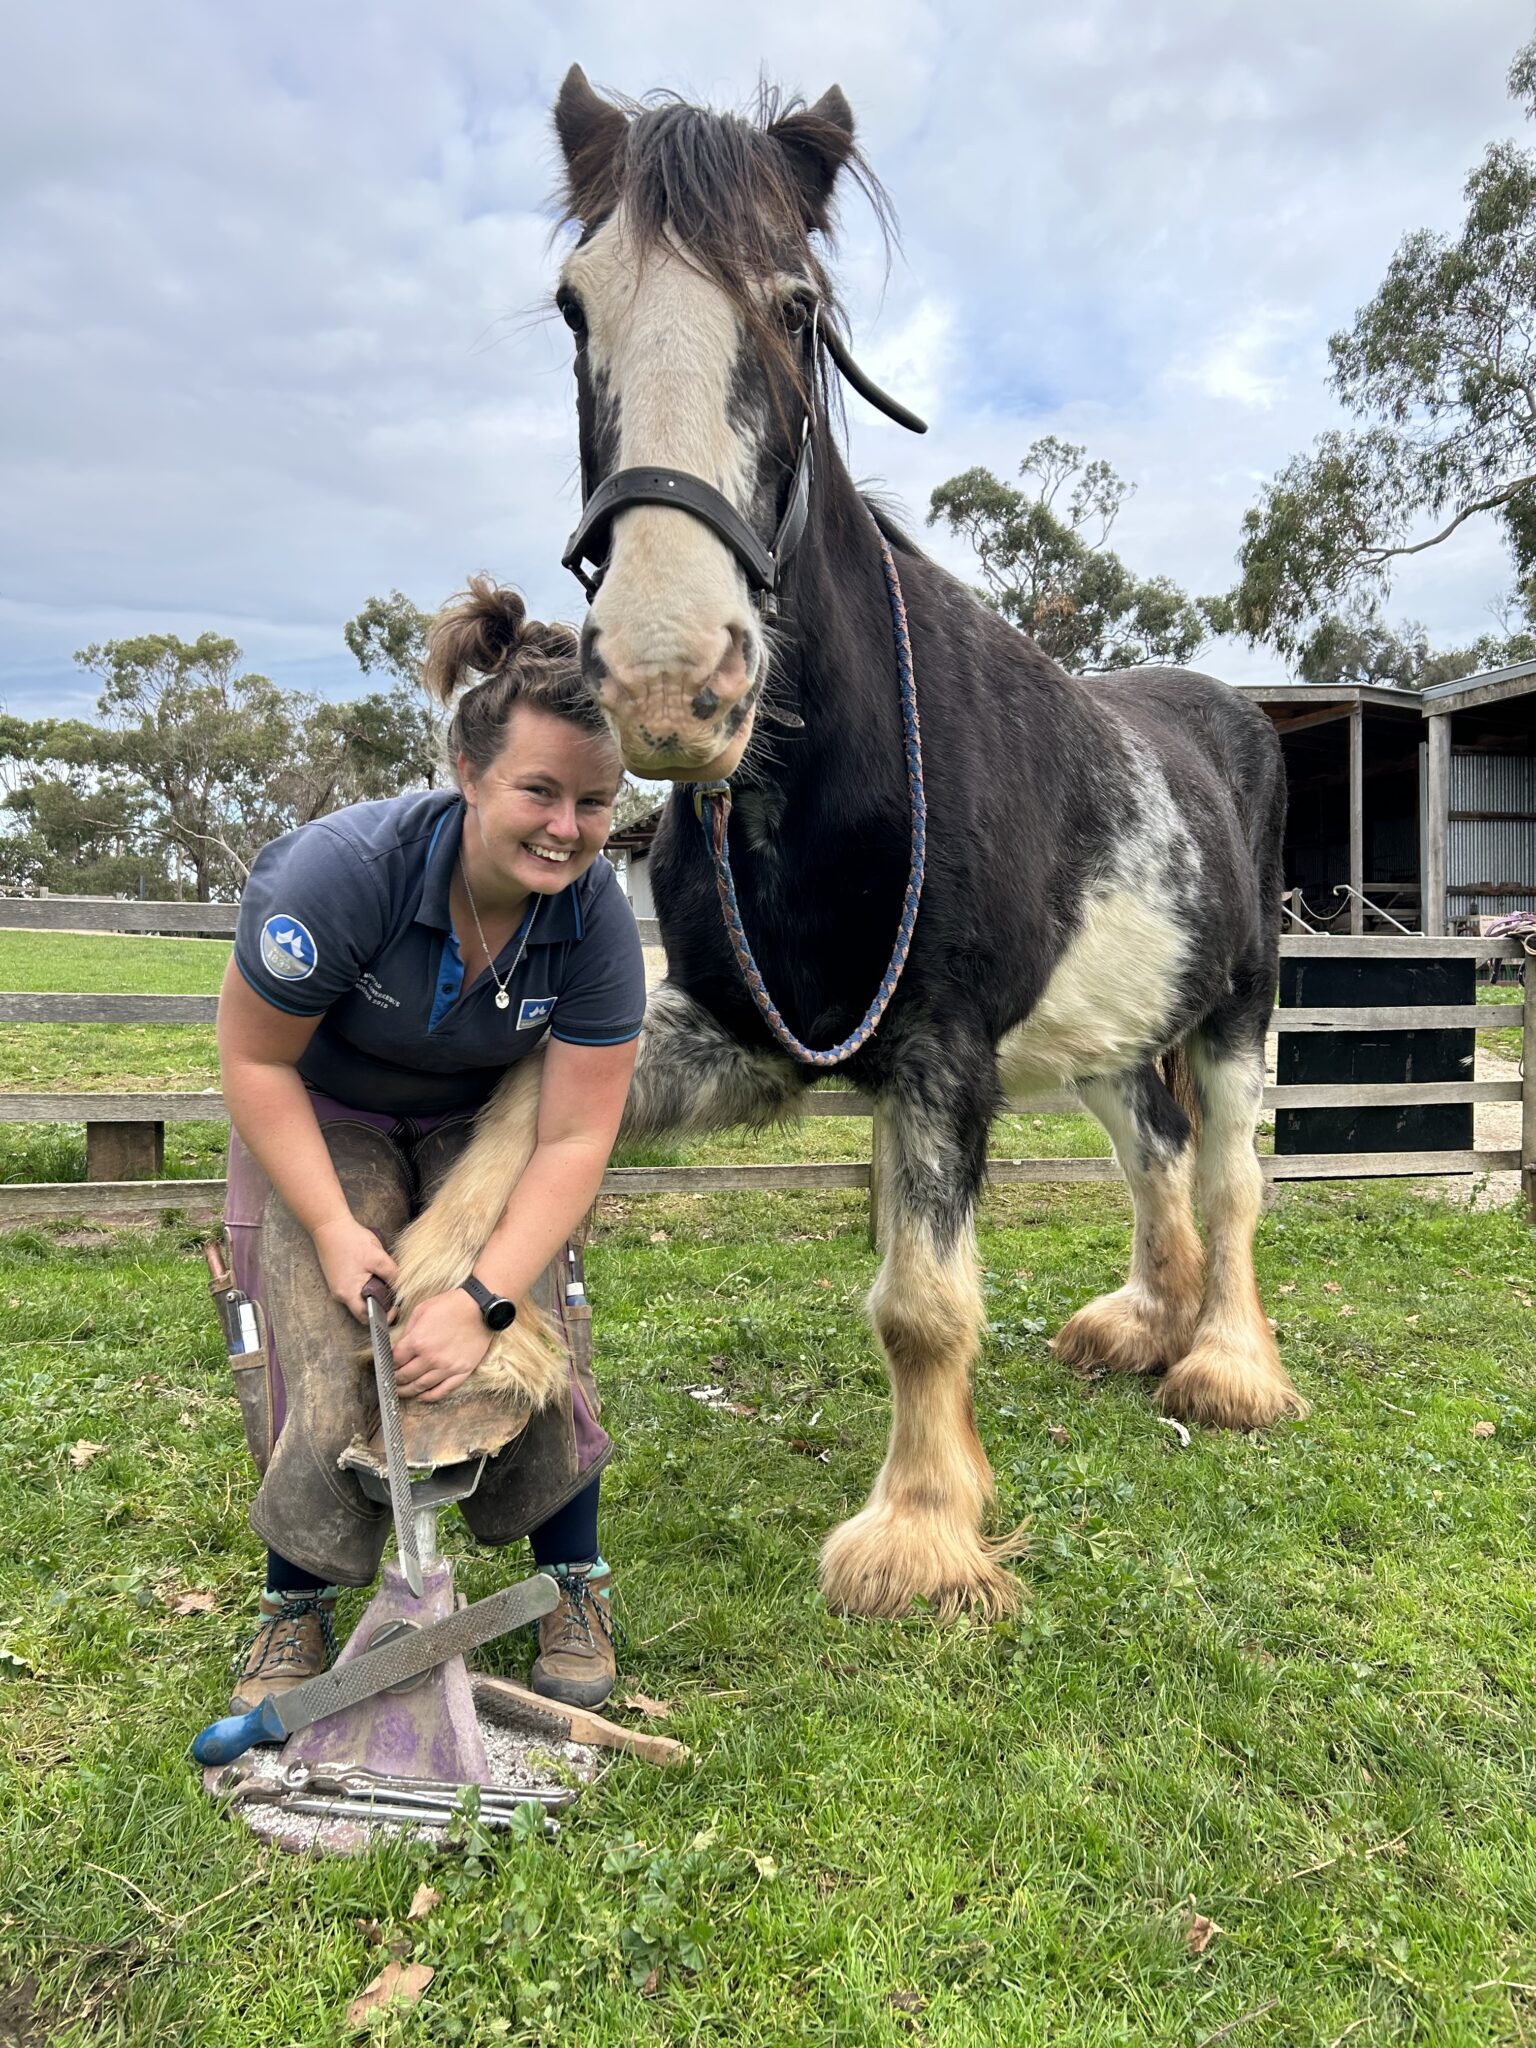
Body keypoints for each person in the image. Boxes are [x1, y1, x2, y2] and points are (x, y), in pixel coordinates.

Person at [214, 580, 644, 1714]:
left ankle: (573, 1581)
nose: (566, 827)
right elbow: (253, 1061)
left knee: (533, 1323)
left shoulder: (595, 919)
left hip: (485, 1117)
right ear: (468, 772)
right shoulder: (337, 877)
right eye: (539, 790)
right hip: (322, 1107)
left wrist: (483, 1299)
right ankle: (297, 1598)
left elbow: (576, 1131)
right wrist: (332, 1224)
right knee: (328, 1325)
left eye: (594, 802)